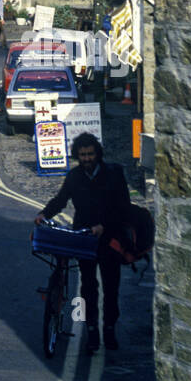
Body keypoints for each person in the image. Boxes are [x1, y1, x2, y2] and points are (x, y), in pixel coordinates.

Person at [34, 132, 132, 353]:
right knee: (88, 287)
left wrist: (104, 226)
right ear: (77, 156)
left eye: (90, 154)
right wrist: (44, 214)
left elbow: (123, 208)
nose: (87, 158)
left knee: (111, 287)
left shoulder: (114, 175)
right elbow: (60, 200)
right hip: (84, 238)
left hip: (110, 237)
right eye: (82, 155)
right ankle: (92, 332)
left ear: (98, 153)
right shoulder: (75, 176)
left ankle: (108, 328)